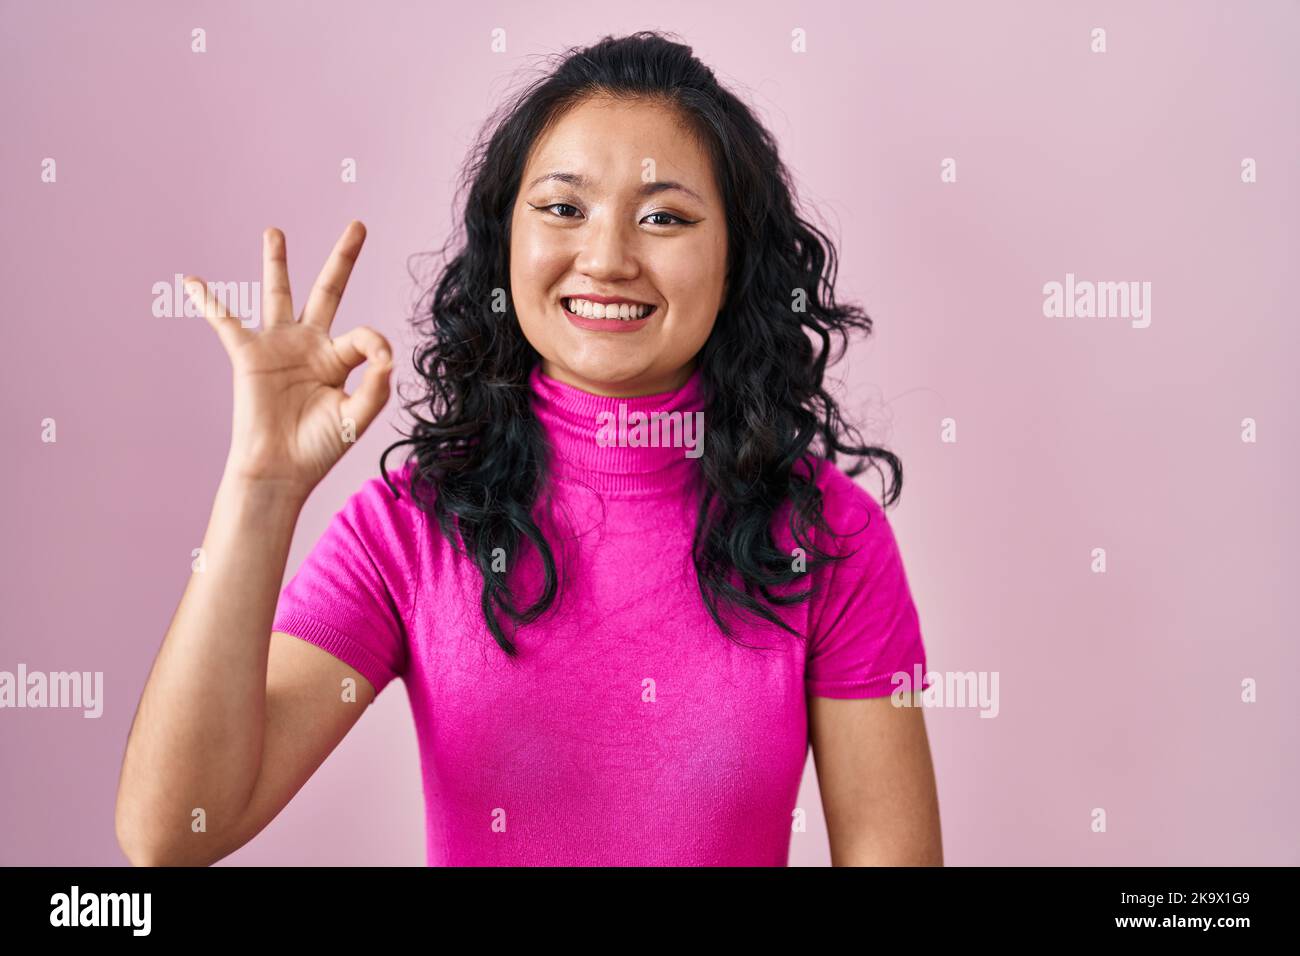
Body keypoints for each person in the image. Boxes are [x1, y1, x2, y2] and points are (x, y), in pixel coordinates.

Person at [115, 30, 942, 867]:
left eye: (664, 217)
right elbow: (173, 830)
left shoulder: (829, 537)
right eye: (562, 208)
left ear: (734, 263)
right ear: (504, 246)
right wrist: (261, 485)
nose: (608, 258)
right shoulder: (412, 529)